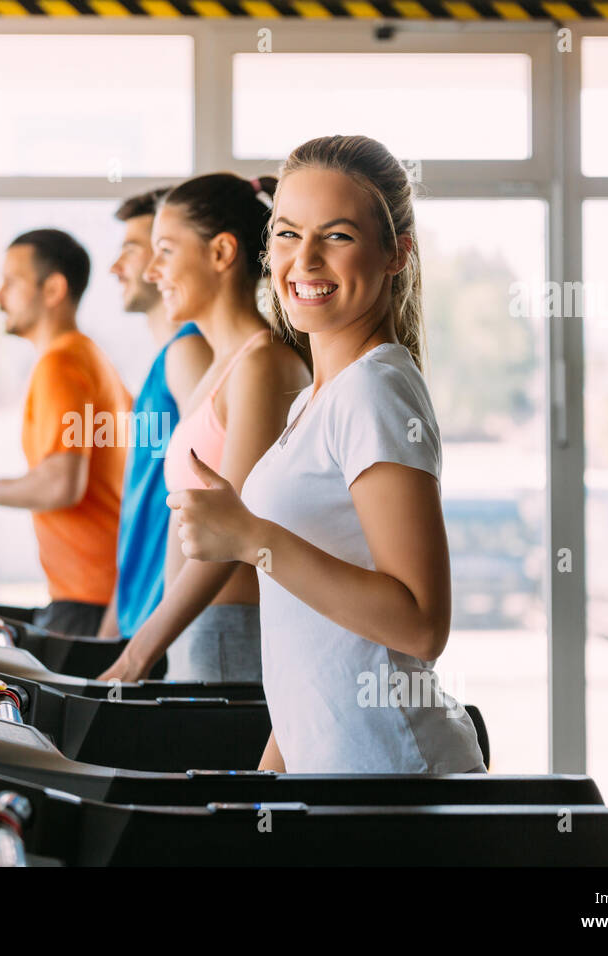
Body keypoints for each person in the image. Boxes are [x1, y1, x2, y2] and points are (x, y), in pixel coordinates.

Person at [166, 134, 487, 773]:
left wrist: (251, 536)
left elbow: (422, 626)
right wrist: (270, 777)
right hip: (335, 772)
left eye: (336, 236)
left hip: (393, 779)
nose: (304, 259)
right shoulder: (312, 403)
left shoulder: (375, 388)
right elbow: (312, 645)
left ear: (398, 253)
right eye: (287, 234)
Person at [99, 174, 311, 682]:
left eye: (166, 251)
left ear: (221, 253)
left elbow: (229, 531)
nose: (153, 272)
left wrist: (136, 654)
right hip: (199, 634)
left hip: (228, 633)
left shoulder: (262, 366)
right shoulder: (223, 366)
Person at [0, 229, 132, 636]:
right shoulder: (90, 358)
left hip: (89, 601)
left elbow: (61, 484)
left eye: (11, 281)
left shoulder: (59, 366)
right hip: (102, 592)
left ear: (54, 289)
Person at [95, 189, 213, 640]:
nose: (115, 267)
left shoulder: (190, 353)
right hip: (140, 621)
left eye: (131, 248)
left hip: (168, 625)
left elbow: (210, 495)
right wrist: (116, 623)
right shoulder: (164, 363)